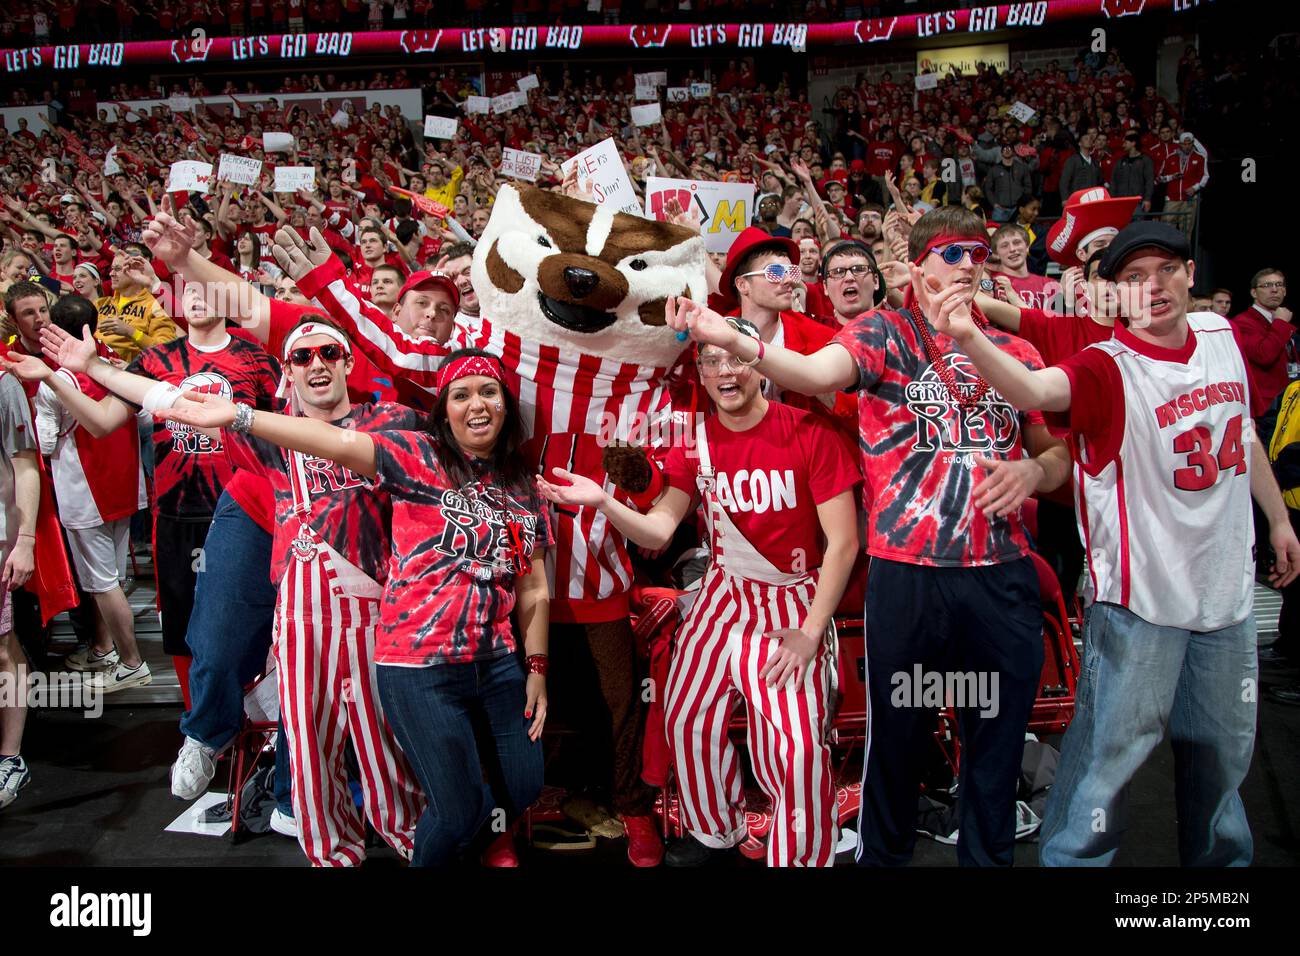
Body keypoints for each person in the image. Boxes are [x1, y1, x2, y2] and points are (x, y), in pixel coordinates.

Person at [666, 206, 1073, 866]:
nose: (968, 263)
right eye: (951, 253)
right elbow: (815, 376)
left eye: (976, 252)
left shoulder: (1015, 351)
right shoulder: (880, 334)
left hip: (998, 578)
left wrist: (1034, 468)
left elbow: (1057, 456)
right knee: (898, 747)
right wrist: (736, 341)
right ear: (916, 267)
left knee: (994, 750)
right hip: (908, 578)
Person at [931, 220, 1300, 866]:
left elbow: (1241, 435)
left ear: (1191, 275)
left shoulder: (1219, 334)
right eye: (1132, 279)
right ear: (1114, 295)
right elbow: (1036, 390)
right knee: (1107, 766)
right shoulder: (1107, 366)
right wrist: (967, 333)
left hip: (1228, 597)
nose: (1152, 288)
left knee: (1223, 763)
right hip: (1141, 604)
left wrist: (1277, 518)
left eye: (1165, 270)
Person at [156, 348, 552, 867]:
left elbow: (534, 587)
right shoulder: (419, 456)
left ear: (506, 404)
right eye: (460, 394)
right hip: (418, 663)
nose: (476, 404)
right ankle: (421, 845)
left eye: (488, 392)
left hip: (496, 662)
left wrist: (538, 669)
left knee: (524, 786)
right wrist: (239, 415)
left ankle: (457, 827)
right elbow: (337, 441)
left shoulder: (525, 488)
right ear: (445, 410)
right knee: (453, 809)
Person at [538, 327, 860, 867]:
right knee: (685, 717)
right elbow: (659, 532)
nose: (726, 372)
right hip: (721, 592)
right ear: (702, 374)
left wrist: (810, 632)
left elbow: (845, 544)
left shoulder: (810, 430)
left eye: (736, 359)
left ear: (760, 365)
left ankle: (802, 853)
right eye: (712, 362)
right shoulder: (697, 441)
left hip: (792, 600)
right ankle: (717, 832)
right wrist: (601, 502)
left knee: (797, 747)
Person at [32, 294, 149, 691]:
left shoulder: (56, 379)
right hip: (125, 485)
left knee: (101, 583)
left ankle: (131, 662)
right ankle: (104, 650)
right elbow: (146, 417)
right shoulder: (116, 365)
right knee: (111, 578)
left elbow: (45, 442)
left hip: (84, 492)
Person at [0, 364, 39, 810]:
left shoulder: (4, 384)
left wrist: (25, 540)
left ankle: (10, 756)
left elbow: (25, 466)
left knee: (3, 648)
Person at [1230, 268, 1292, 440]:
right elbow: (1264, 355)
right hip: (1265, 411)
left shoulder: (1284, 322)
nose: (1274, 289)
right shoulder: (1242, 322)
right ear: (1254, 292)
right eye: (1267, 285)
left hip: (1287, 407)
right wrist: (1280, 323)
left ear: (1285, 291)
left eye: (1279, 285)